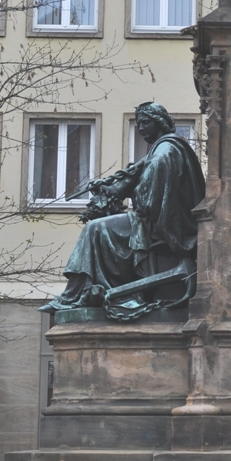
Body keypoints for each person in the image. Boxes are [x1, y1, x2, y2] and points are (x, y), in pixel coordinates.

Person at [40, 102, 205, 320]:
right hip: (152, 221)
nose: (141, 128)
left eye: (146, 123)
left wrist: (130, 191)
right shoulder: (161, 149)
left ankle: (75, 295)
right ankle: (81, 293)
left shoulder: (165, 151)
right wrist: (112, 188)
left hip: (157, 227)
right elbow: (138, 180)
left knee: (95, 230)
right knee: (96, 229)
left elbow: (149, 200)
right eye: (138, 124)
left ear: (159, 122)